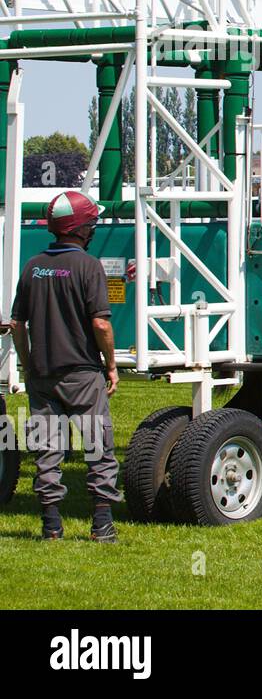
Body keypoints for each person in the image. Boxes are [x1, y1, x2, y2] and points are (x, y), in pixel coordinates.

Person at [9, 191, 121, 541]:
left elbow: (16, 324)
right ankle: (102, 526)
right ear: (82, 228)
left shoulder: (33, 266)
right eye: (92, 223)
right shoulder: (89, 266)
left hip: (41, 375)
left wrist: (27, 364)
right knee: (97, 448)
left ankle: (51, 525)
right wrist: (112, 365)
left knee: (46, 449)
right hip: (83, 375)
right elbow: (101, 325)